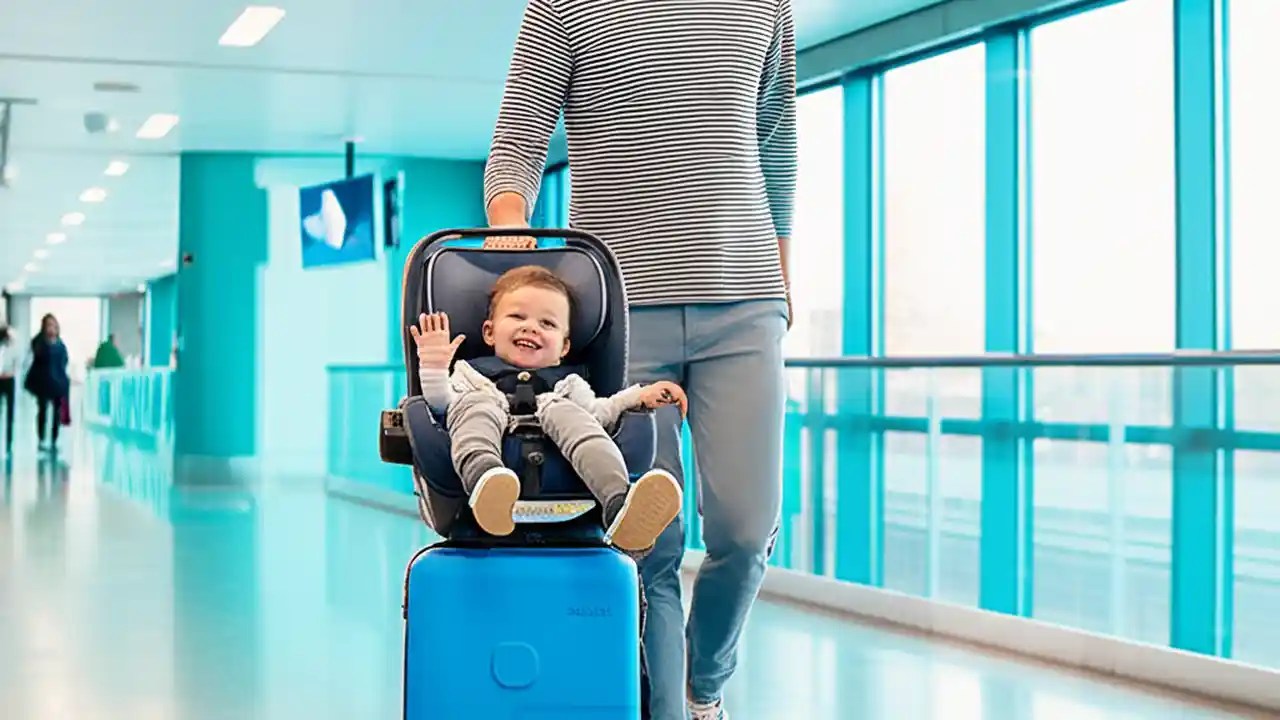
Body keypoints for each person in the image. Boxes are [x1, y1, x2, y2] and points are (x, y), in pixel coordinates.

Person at [482, 2, 796, 718]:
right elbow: (518, 145)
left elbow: (776, 143)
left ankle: (703, 683)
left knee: (747, 531)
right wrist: (510, 234)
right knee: (649, 540)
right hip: (624, 308)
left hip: (744, 300)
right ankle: (665, 710)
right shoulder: (562, 6)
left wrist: (783, 273)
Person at [412, 264, 688, 551]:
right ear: (489, 332)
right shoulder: (471, 376)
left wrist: (636, 397)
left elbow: (600, 413)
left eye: (547, 324)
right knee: (475, 407)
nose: (531, 326)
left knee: (580, 423)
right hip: (483, 431)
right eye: (517, 316)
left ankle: (619, 504)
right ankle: (486, 482)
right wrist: (433, 366)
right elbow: (441, 407)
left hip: (559, 429)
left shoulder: (569, 385)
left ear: (563, 348)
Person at [24, 314, 70, 453]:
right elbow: (35, 357)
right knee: (42, 411)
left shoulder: (60, 344)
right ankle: (41, 439)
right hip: (43, 383)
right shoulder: (39, 342)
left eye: (53, 325)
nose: (51, 327)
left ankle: (54, 440)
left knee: (56, 413)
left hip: (58, 384)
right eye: (48, 324)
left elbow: (64, 361)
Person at [0, 325, 20, 456]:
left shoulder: (12, 349)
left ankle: (9, 442)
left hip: (8, 379)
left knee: (10, 413)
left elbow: (16, 365)